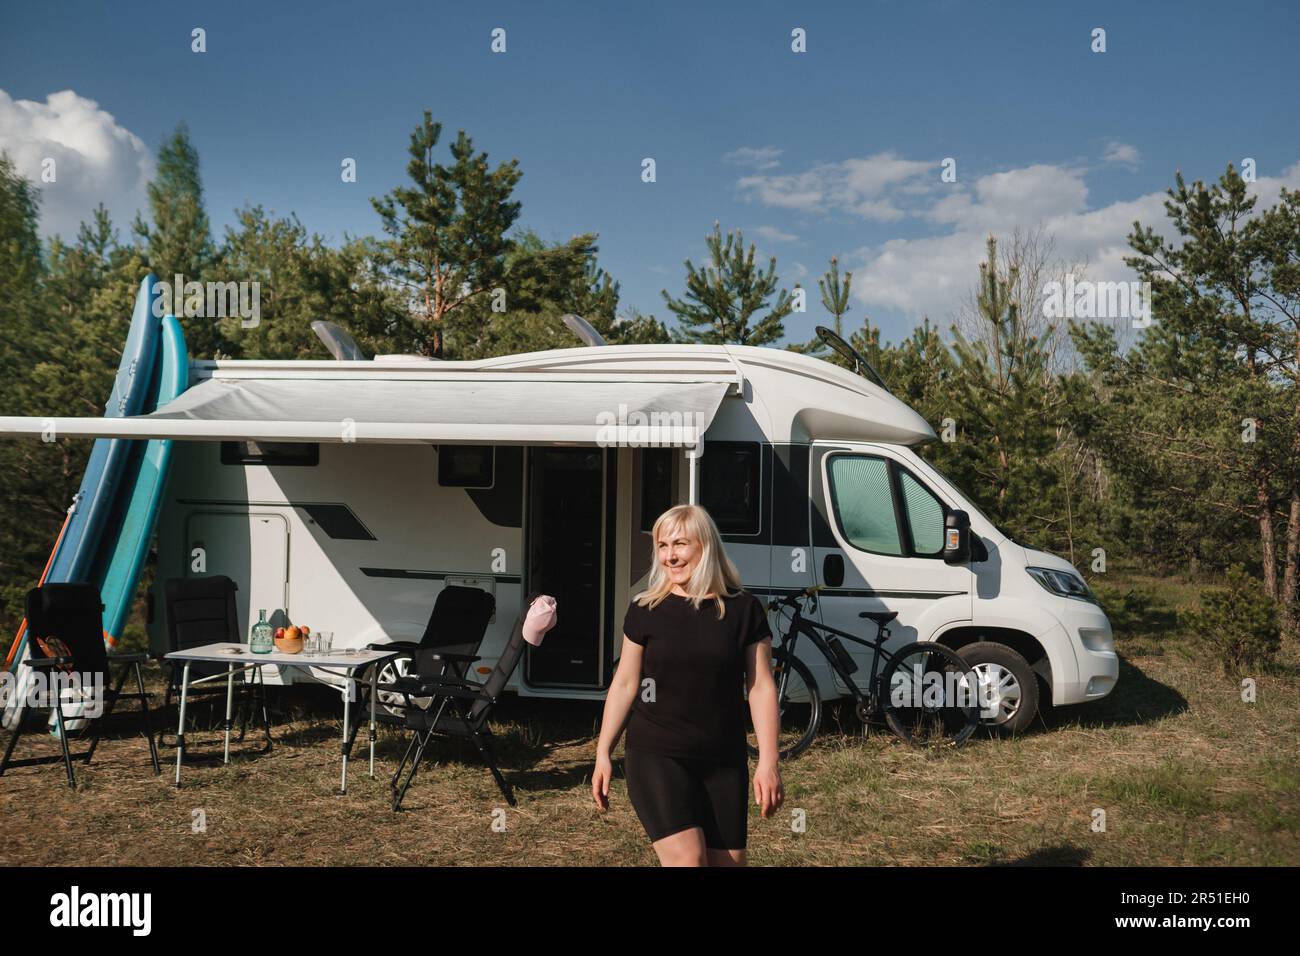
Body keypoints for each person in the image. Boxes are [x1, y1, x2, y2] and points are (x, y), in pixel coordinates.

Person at [592, 503, 783, 866]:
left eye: (679, 544)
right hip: (657, 754)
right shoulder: (645, 610)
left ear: (705, 546)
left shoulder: (744, 610)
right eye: (662, 546)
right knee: (689, 860)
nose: (669, 555)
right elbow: (625, 683)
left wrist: (769, 761)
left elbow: (760, 688)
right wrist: (603, 752)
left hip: (724, 758)